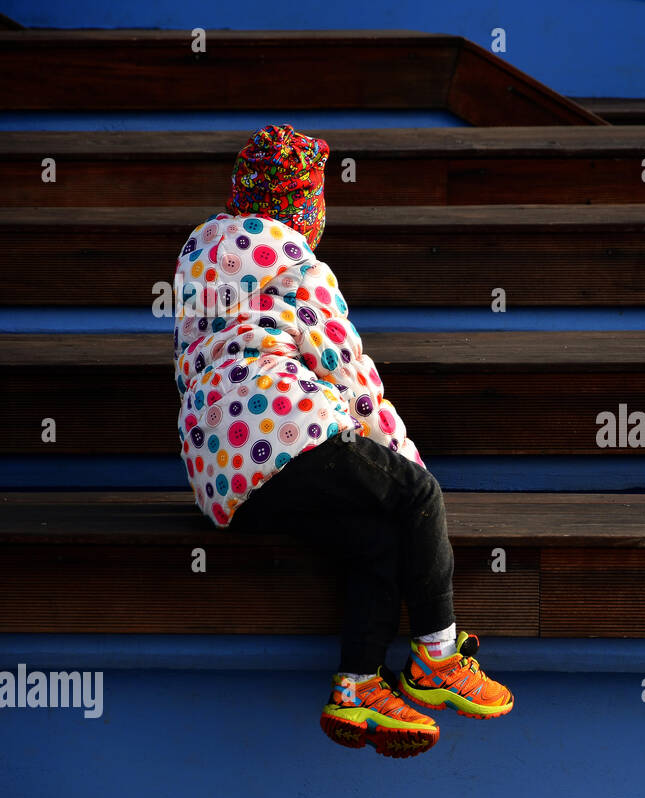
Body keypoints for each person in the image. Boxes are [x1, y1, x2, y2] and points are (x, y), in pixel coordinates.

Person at [170, 124, 513, 759]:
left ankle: (356, 688)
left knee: (373, 538)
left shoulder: (197, 263)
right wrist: (402, 461)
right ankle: (437, 659)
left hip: (220, 476)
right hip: (289, 432)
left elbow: (191, 362)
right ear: (308, 208)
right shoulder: (299, 266)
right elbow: (350, 378)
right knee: (415, 499)